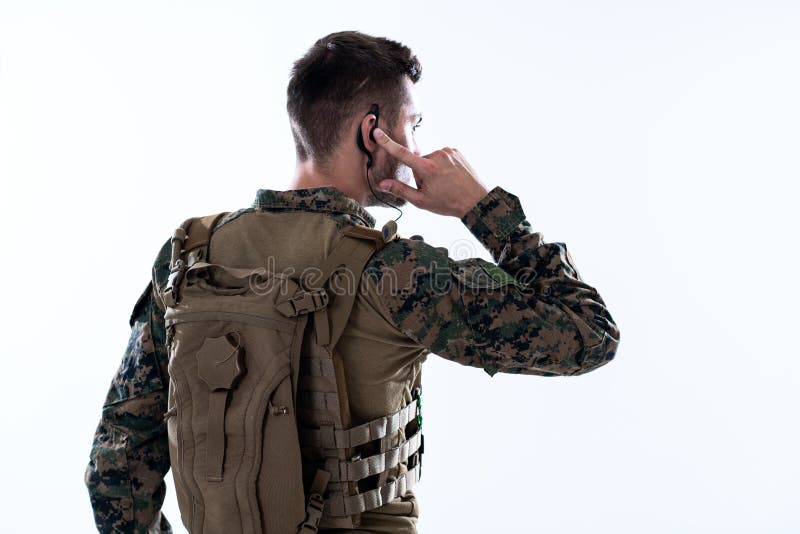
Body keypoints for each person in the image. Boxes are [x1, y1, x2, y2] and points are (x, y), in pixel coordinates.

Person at [85, 30, 620, 533]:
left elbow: (115, 463)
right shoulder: (398, 273)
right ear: (372, 132)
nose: (416, 147)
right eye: (413, 126)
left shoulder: (188, 254)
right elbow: (590, 334)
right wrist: (482, 207)